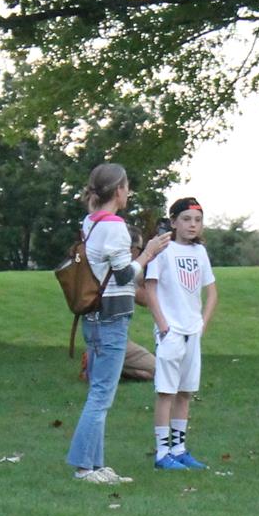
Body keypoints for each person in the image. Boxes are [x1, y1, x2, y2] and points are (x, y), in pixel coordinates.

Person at [65, 163, 169, 486]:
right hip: (111, 318)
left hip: (95, 317)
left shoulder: (91, 222)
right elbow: (125, 275)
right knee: (101, 396)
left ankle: (96, 465)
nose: (128, 192)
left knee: (100, 392)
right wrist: (148, 253)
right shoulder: (115, 227)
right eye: (127, 187)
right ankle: (84, 467)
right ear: (119, 191)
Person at [142, 196, 218, 470]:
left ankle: (179, 447)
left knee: (185, 392)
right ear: (173, 222)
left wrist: (202, 323)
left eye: (197, 220)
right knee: (167, 392)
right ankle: (162, 452)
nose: (192, 225)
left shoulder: (200, 253)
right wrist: (163, 324)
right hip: (171, 333)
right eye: (186, 219)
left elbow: (212, 292)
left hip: (191, 333)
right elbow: (150, 288)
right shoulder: (164, 250)